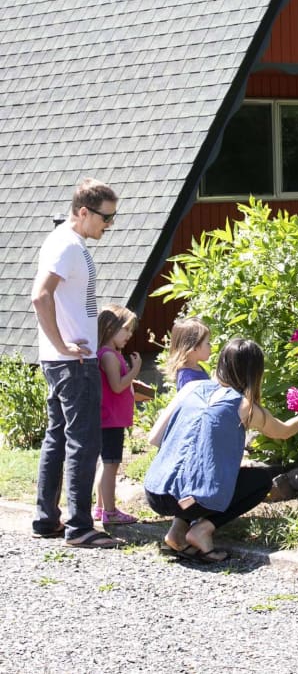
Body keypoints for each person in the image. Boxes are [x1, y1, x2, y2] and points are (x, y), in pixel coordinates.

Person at [144, 337, 298, 562]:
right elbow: (283, 431)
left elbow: (154, 438)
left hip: (155, 492)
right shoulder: (244, 406)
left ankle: (177, 532)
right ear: (254, 372)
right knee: (260, 481)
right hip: (193, 501)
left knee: (194, 479)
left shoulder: (191, 387)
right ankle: (202, 531)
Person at [30, 177, 120, 548]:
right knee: (84, 441)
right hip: (73, 364)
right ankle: (80, 527)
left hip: (64, 361)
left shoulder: (67, 242)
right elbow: (40, 296)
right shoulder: (66, 245)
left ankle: (46, 519)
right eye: (105, 217)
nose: (109, 225)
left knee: (57, 436)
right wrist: (63, 345)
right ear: (83, 212)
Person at [94, 305, 142, 525]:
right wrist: (134, 370)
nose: (129, 335)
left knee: (106, 464)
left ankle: (100, 508)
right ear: (110, 327)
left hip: (110, 419)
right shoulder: (109, 356)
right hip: (111, 419)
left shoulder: (109, 354)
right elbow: (117, 385)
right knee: (111, 465)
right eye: (126, 330)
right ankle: (110, 512)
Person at [164, 317, 212, 391]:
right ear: (194, 347)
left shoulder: (196, 367)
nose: (211, 346)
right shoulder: (187, 377)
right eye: (208, 343)